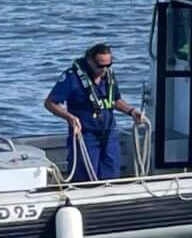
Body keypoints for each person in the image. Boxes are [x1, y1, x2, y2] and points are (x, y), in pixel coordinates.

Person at [45, 43, 145, 182]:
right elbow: (50, 103)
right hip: (85, 135)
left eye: (108, 65)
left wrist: (131, 111)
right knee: (86, 177)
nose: (104, 70)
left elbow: (114, 100)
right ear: (90, 60)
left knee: (111, 176)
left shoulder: (108, 76)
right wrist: (69, 117)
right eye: (100, 66)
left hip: (109, 133)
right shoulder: (72, 78)